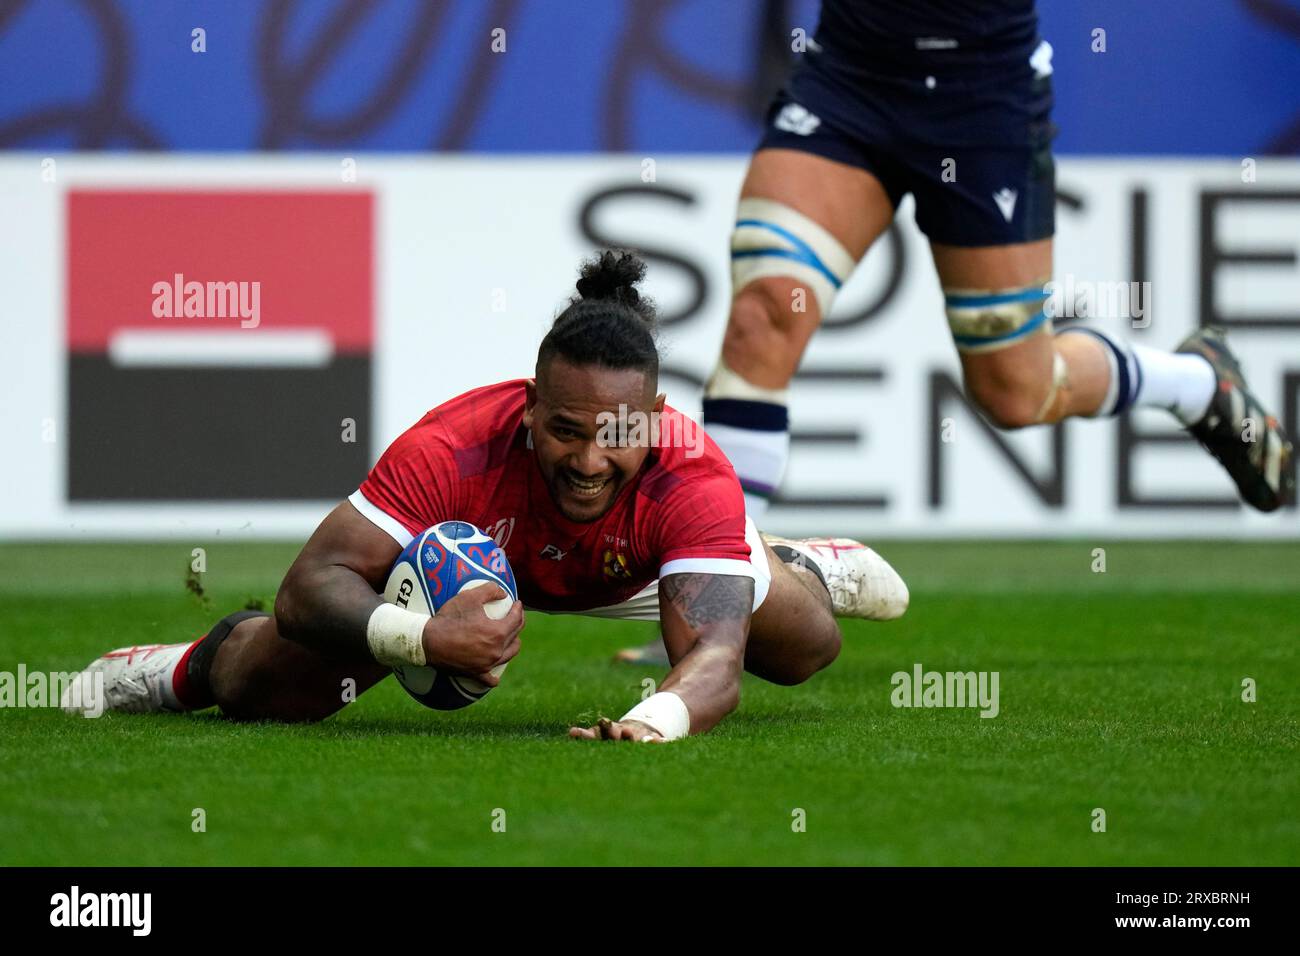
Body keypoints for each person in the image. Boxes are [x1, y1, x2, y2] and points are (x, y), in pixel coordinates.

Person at [61, 251, 909, 743]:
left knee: (803, 650)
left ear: (654, 421)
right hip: (467, 570)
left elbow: (715, 663)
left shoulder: (690, 473)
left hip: (642, 566)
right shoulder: (453, 449)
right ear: (529, 407)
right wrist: (422, 636)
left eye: (616, 436)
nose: (588, 461)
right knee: (272, 694)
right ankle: (170, 671)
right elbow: (307, 587)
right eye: (564, 430)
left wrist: (653, 720)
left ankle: (791, 563)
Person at [699, 0, 1294, 517]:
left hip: (984, 97)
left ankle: (1195, 383)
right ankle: (721, 586)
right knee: (762, 316)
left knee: (1017, 392)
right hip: (849, 80)